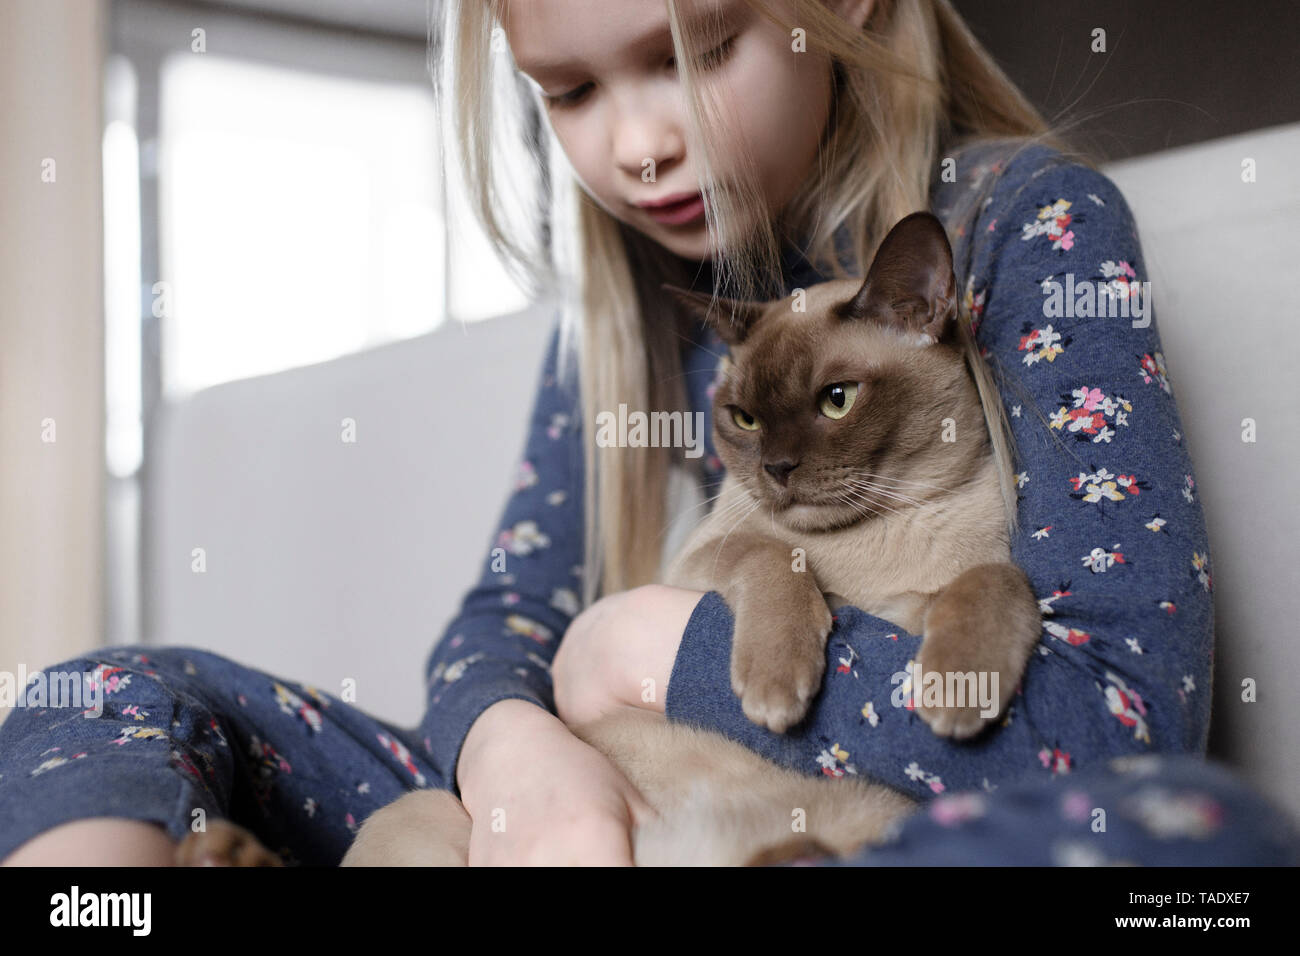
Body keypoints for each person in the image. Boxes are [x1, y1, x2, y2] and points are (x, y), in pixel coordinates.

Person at [2, 0, 1296, 867]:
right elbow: (497, 631)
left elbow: (1118, 727)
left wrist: (667, 647)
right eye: (566, 90)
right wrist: (523, 763)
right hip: (593, 800)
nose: (635, 144)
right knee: (99, 693)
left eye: (696, 49)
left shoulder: (1032, 225)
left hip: (856, 818)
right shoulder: (622, 316)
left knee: (1195, 848)